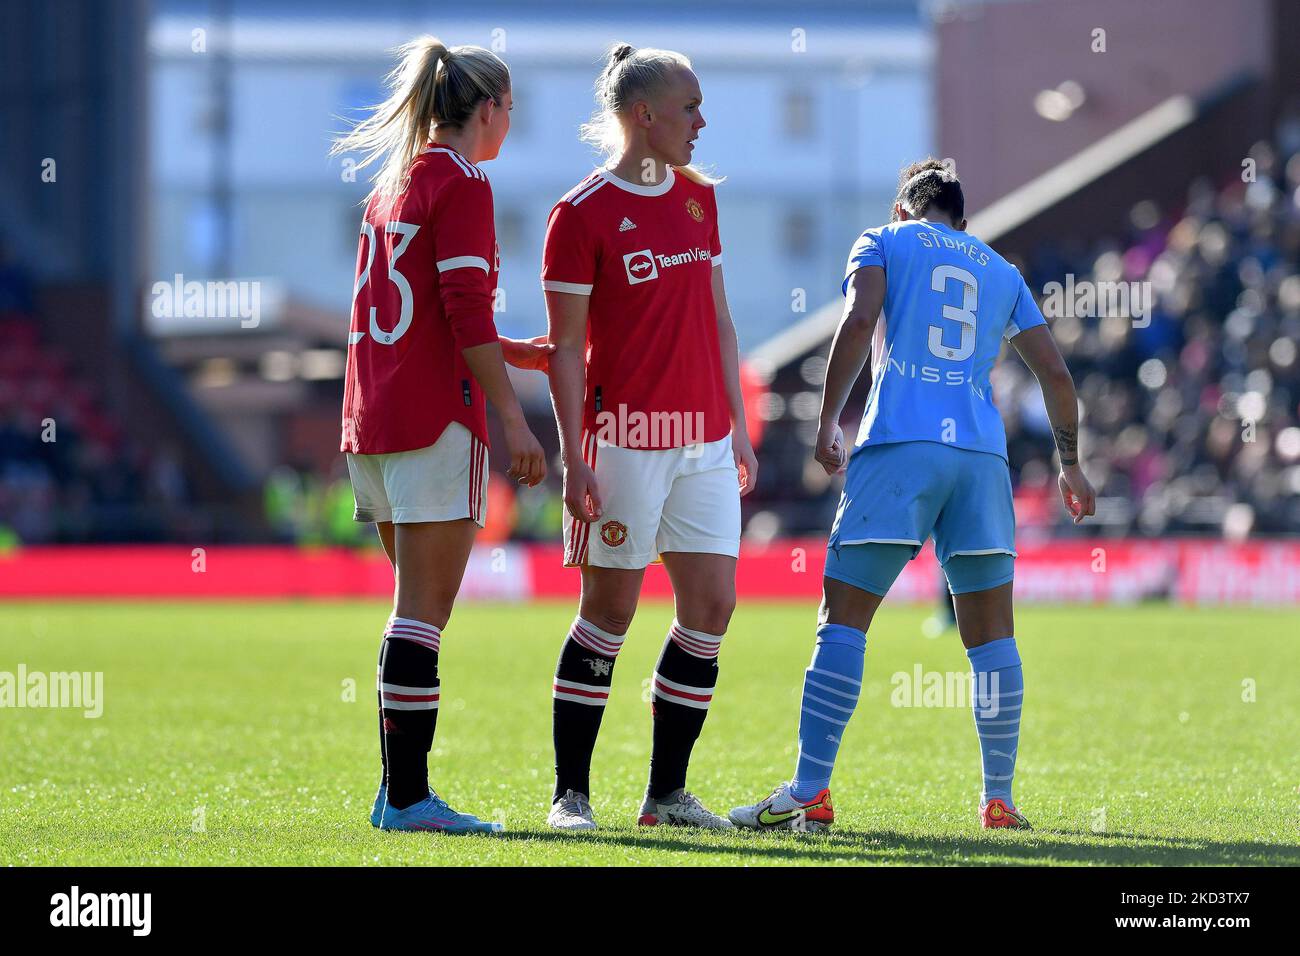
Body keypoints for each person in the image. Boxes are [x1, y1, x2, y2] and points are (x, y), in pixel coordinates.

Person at [730, 159, 1096, 832]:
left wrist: (824, 420)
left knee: (843, 618)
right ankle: (1000, 799)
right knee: (991, 636)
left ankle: (810, 791)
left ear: (904, 209)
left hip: (900, 445)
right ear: (962, 220)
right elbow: (1055, 374)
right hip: (981, 460)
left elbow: (859, 315)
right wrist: (1070, 465)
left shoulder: (883, 240)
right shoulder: (999, 269)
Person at [331, 35, 550, 834]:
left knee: (409, 608)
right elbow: (463, 314)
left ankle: (398, 792)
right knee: (422, 612)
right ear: (486, 108)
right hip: (434, 416)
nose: (508, 128)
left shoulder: (392, 183)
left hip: (374, 417)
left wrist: (519, 349)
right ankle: (410, 798)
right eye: (509, 111)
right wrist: (516, 413)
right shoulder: (462, 182)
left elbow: (428, 311)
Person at [540, 43, 758, 830]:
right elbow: (565, 349)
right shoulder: (580, 213)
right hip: (625, 437)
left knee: (712, 606)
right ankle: (571, 795)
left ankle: (666, 797)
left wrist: (734, 426)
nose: (702, 120)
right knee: (609, 613)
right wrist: (574, 454)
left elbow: (722, 320)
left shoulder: (702, 199)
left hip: (703, 438)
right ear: (644, 115)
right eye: (690, 106)